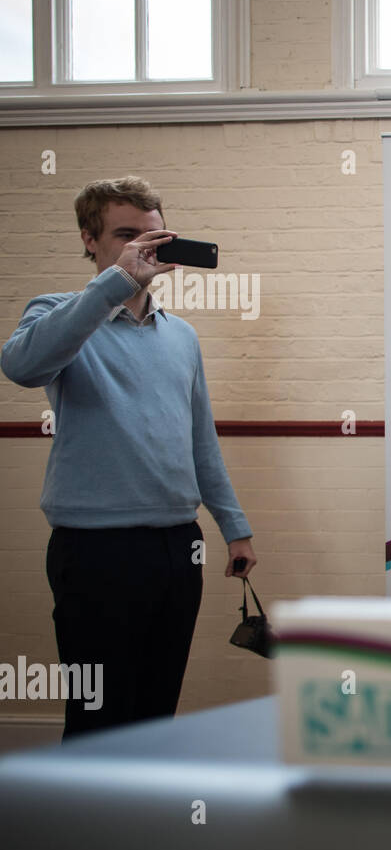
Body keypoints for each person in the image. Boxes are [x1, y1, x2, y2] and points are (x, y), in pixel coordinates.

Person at [1, 176, 257, 737]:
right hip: (95, 551)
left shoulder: (181, 336)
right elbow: (21, 367)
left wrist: (234, 527)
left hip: (175, 546)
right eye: (125, 236)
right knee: (99, 715)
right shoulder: (59, 313)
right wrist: (113, 285)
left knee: (155, 708)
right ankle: (91, 824)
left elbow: (199, 440)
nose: (144, 248)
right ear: (90, 240)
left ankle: (143, 818)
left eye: (153, 236)